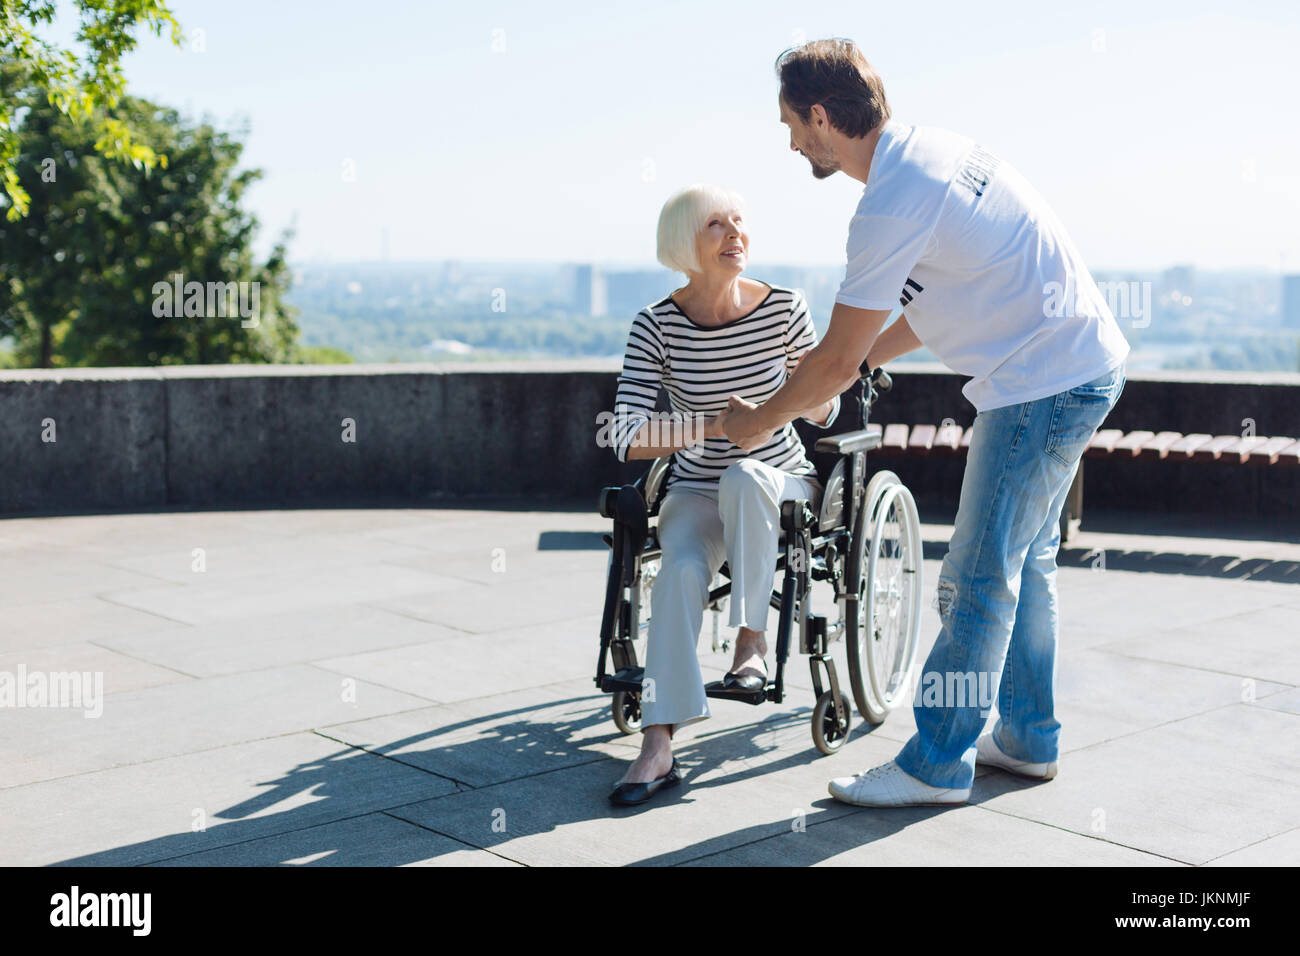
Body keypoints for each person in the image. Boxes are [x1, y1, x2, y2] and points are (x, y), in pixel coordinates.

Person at [720, 38, 1130, 807]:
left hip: (1040, 385)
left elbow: (836, 358)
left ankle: (936, 763)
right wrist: (858, 363)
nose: (789, 142)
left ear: (820, 116)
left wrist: (764, 418)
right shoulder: (932, 153)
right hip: (1075, 367)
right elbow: (926, 303)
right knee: (1023, 564)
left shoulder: (890, 201)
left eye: (790, 126)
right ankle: (1029, 736)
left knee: (975, 579)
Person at [604, 183, 840, 806]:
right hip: (696, 486)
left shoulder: (784, 307)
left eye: (739, 221)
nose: (735, 233)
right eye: (716, 224)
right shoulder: (655, 326)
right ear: (686, 242)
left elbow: (825, 409)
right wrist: (714, 424)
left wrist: (800, 393)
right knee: (680, 567)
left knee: (746, 476)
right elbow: (626, 435)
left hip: (780, 481)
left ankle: (751, 640)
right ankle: (658, 744)